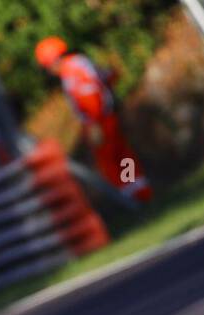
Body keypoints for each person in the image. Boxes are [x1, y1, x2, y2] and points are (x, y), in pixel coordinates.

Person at [35, 36, 152, 203]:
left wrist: (94, 122)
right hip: (106, 116)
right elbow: (110, 75)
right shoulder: (79, 62)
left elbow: (89, 95)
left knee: (110, 159)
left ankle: (130, 197)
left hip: (99, 120)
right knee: (123, 155)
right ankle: (140, 190)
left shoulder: (71, 71)